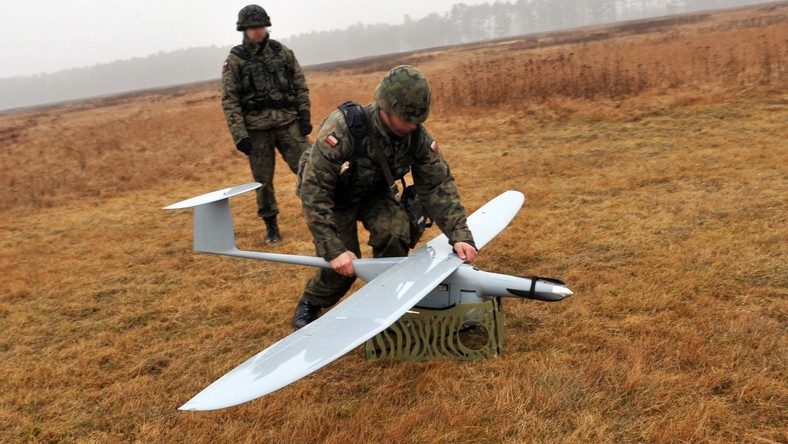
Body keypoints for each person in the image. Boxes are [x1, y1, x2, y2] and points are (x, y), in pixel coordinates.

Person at [293, 65, 477, 329]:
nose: (413, 125)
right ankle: (311, 301)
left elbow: (438, 185)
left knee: (395, 233)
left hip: (374, 192)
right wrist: (332, 248)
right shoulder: (342, 128)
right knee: (344, 264)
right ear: (386, 109)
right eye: (407, 119)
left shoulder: (417, 136)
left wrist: (459, 234)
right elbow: (315, 190)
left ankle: (387, 302)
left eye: (417, 120)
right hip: (334, 196)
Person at [222, 4, 312, 243]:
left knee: (311, 168)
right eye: (252, 27)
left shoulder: (282, 53)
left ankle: (326, 212)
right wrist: (240, 135)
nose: (257, 31)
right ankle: (271, 225)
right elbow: (230, 100)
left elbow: (300, 86)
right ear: (244, 30)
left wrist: (304, 115)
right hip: (257, 130)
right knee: (262, 181)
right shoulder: (236, 60)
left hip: (288, 123)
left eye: (260, 26)